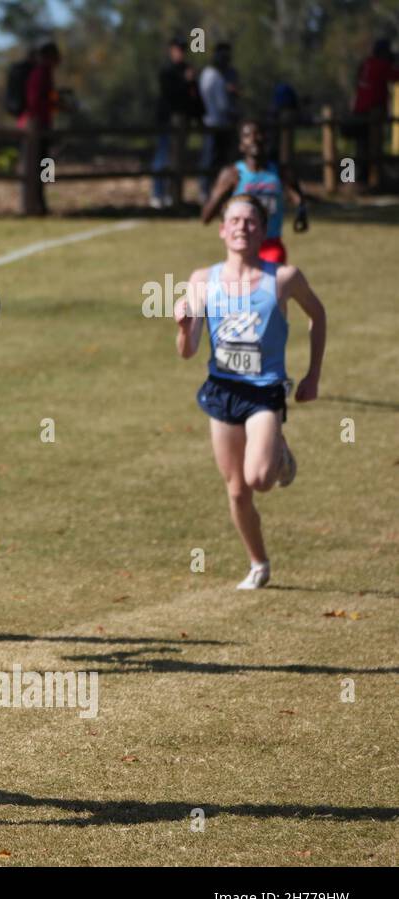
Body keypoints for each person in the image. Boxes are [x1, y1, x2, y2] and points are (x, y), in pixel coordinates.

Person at [174, 195, 326, 590]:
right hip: (222, 391)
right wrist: (183, 326)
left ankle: (278, 454)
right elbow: (188, 351)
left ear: (263, 230)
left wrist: (313, 376)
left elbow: (318, 315)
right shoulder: (202, 280)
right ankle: (258, 563)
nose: (242, 226)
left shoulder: (284, 278)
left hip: (264, 393)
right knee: (237, 491)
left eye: (251, 221)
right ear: (223, 230)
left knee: (259, 478)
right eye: (235, 220)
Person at [201, 119, 307, 263]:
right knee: (244, 284)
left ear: (266, 140)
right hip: (241, 244)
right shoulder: (232, 173)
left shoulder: (280, 172)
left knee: (268, 283)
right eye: (247, 135)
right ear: (241, 145)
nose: (254, 139)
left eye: (258, 134)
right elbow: (206, 217)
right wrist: (221, 192)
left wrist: (301, 211)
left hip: (271, 245)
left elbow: (298, 197)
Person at [151, 37, 202, 209]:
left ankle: (172, 195)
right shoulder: (167, 71)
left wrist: (199, 117)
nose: (180, 52)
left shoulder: (188, 70)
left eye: (182, 49)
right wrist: (185, 81)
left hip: (183, 123)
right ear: (171, 50)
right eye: (177, 49)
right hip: (167, 122)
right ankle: (158, 194)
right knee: (162, 159)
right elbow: (169, 95)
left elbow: (194, 96)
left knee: (177, 161)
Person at [349, 39, 399, 185]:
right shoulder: (381, 64)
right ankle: (372, 179)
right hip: (371, 111)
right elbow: (395, 77)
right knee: (373, 147)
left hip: (360, 110)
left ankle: (361, 178)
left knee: (361, 147)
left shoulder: (367, 63)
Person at [18, 41, 60, 215]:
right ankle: (35, 205)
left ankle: (41, 203)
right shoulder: (41, 72)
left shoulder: (44, 72)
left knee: (45, 165)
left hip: (42, 125)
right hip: (36, 127)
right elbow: (35, 100)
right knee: (38, 165)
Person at [198, 42, 240, 202]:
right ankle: (210, 191)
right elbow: (223, 105)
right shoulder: (215, 75)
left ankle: (210, 190)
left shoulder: (209, 74)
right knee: (214, 159)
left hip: (212, 122)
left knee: (213, 159)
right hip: (218, 123)